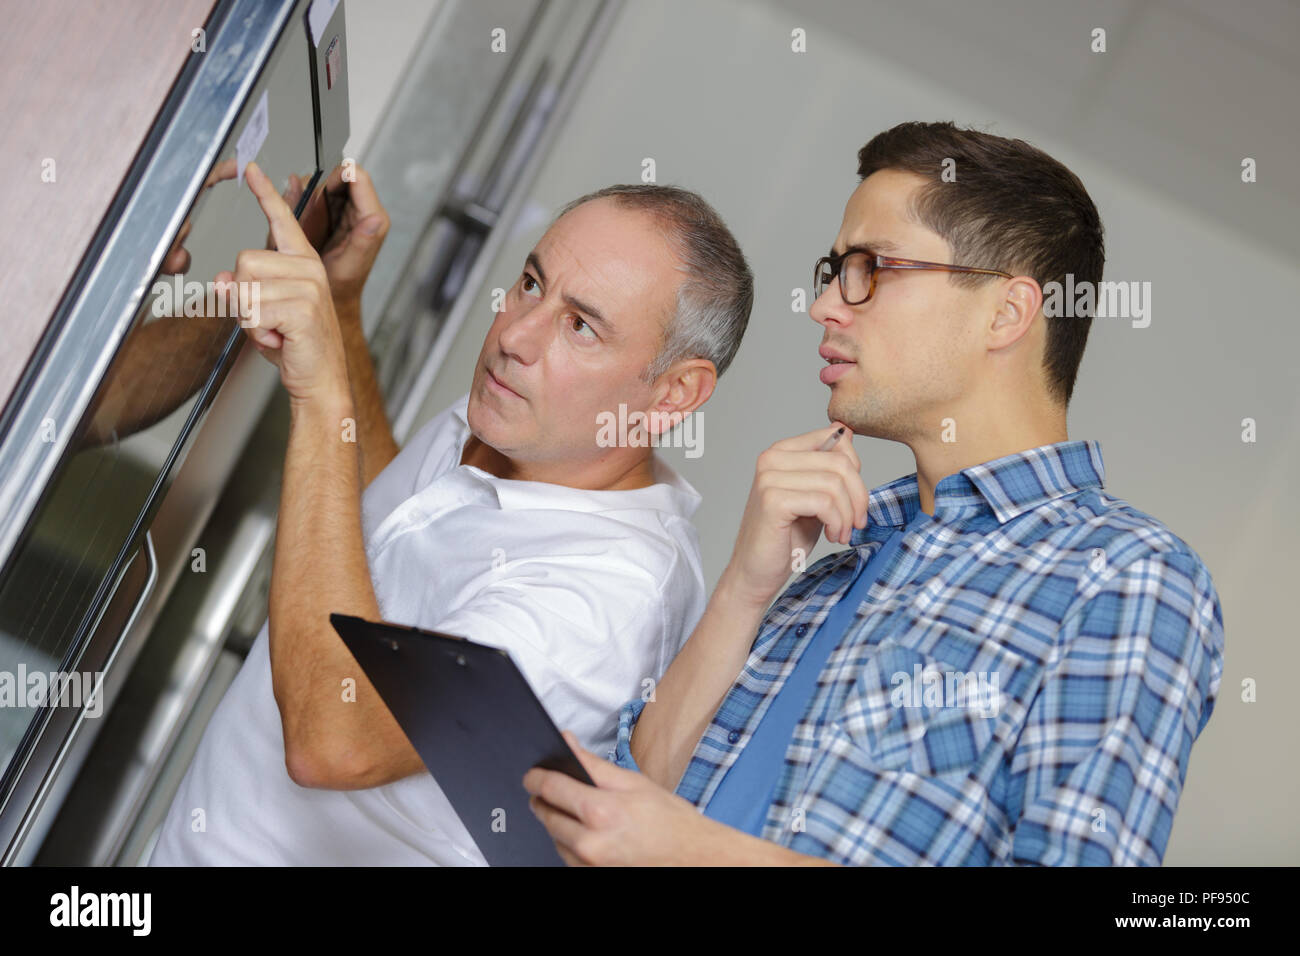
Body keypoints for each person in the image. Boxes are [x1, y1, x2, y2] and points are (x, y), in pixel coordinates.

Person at [525, 121, 1225, 866]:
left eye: (869, 268)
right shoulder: (830, 564)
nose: (825, 305)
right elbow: (639, 805)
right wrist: (744, 589)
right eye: (832, 270)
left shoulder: (1127, 577)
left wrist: (701, 854)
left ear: (1007, 312)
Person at [149, 161, 753, 865]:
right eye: (531, 282)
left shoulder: (608, 595)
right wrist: (341, 306)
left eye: (581, 326)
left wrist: (320, 395)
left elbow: (335, 741)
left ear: (675, 394)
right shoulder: (527, 421)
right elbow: (391, 528)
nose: (517, 337)